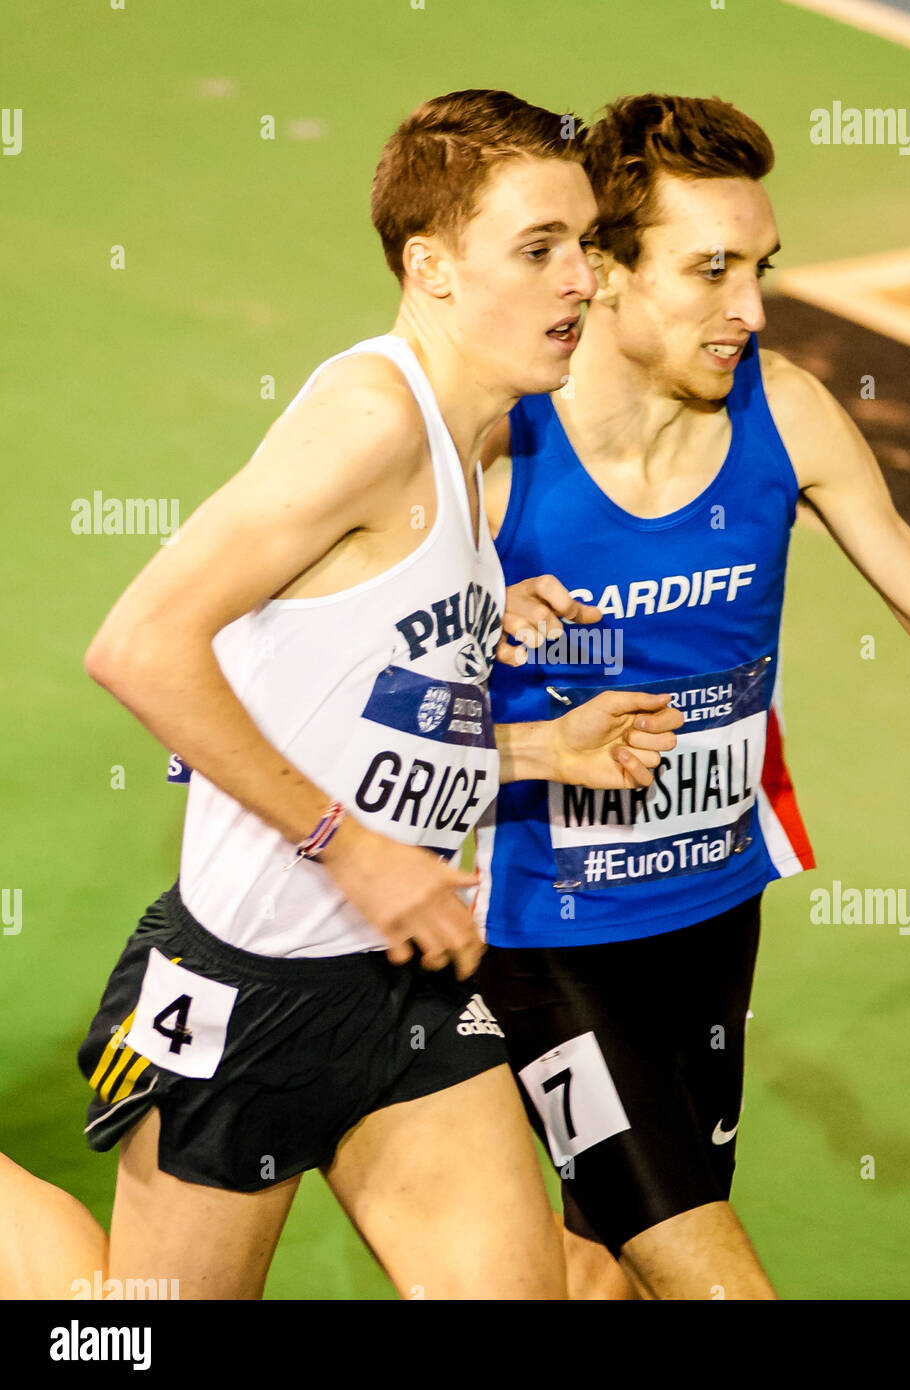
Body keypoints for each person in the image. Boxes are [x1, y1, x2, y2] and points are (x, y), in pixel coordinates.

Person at [475, 93, 910, 1301]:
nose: (751, 309)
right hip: (540, 927)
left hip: (715, 913)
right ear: (601, 272)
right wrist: (520, 733)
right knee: (713, 1275)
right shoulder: (494, 447)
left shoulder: (788, 414)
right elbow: (348, 682)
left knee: (592, 1260)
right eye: (709, 270)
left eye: (759, 268)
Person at [54, 88, 681, 1302]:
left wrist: (538, 748)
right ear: (430, 266)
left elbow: (353, 699)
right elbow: (138, 645)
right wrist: (350, 852)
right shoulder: (369, 421)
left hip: (402, 977)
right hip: (248, 988)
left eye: (586, 246)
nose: (582, 285)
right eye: (537, 250)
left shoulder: (479, 441)